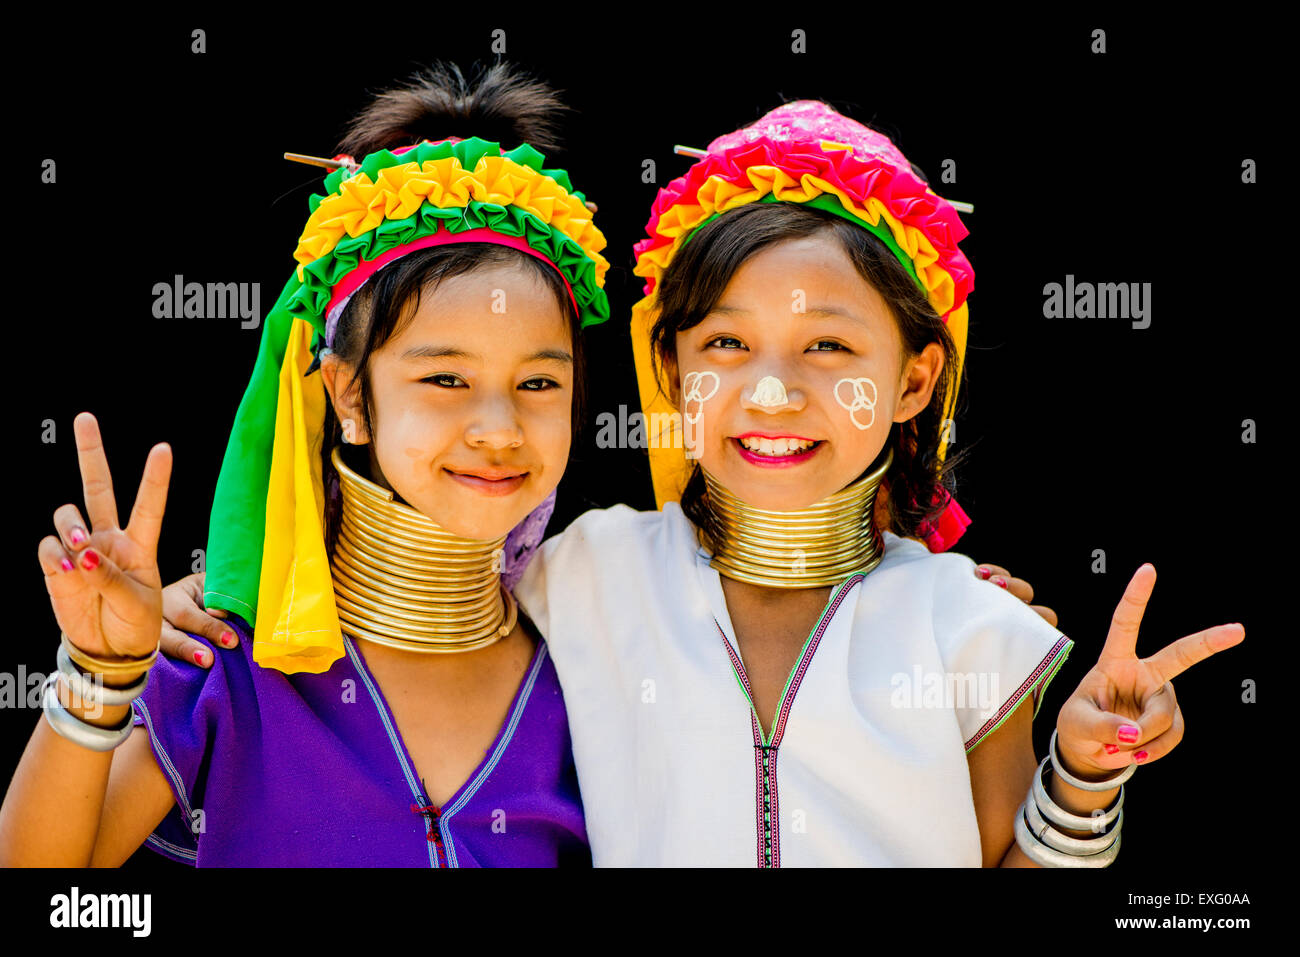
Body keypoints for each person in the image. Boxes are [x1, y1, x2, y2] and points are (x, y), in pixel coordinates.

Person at [509, 100, 1245, 865]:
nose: (771, 393)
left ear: (914, 380)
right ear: (670, 365)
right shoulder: (582, 576)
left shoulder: (967, 626)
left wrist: (1082, 777)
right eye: (726, 341)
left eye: (827, 345)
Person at [0, 62, 609, 867]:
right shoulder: (221, 656)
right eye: (444, 379)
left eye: (538, 383)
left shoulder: (590, 675)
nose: (498, 430)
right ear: (347, 392)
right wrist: (99, 671)